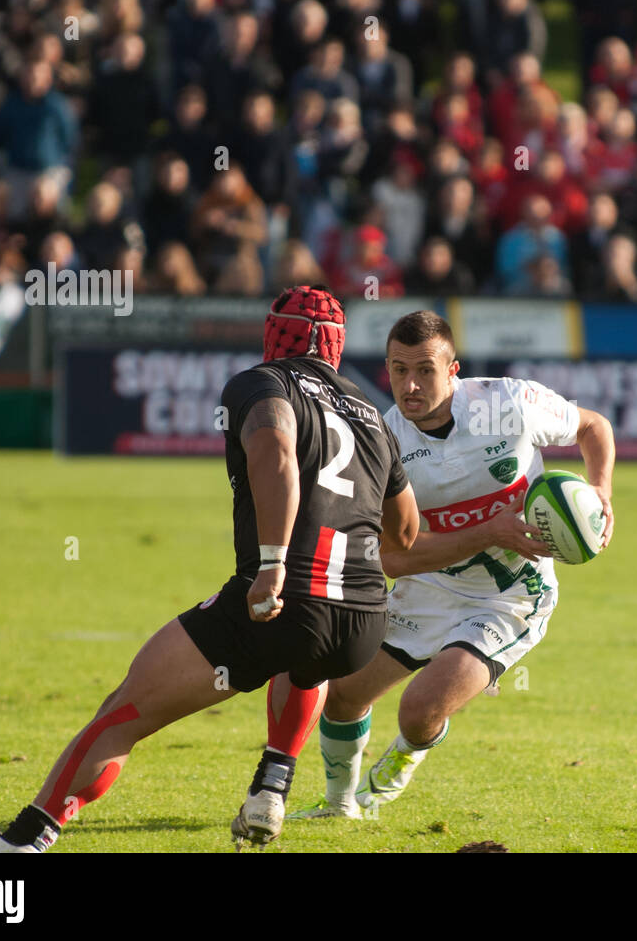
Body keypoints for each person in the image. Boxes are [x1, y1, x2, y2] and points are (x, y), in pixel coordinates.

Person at [0, 286, 420, 853]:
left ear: (272, 334)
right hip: (362, 624)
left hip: (283, 601)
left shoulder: (262, 383)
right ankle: (272, 788)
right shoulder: (371, 414)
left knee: (126, 711)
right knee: (305, 658)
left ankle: (21, 843)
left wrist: (276, 563)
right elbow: (404, 532)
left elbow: (277, 455)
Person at [232, 309, 616, 835]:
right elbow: (389, 558)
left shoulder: (511, 403)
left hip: (511, 597)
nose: (410, 385)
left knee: (418, 710)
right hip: (429, 586)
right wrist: (487, 532)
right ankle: (340, 804)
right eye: (397, 370)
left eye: (425, 370)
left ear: (453, 369)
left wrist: (602, 492)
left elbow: (594, 426)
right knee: (341, 693)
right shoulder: (381, 439)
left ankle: (400, 762)